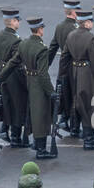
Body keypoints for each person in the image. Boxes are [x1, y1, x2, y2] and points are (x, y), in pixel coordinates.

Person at [64, 11, 94, 150]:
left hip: (75, 73)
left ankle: (78, 131)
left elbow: (64, 57)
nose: (92, 24)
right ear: (87, 23)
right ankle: (89, 140)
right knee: (90, 107)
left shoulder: (70, 35)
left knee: (79, 104)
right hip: (88, 76)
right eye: (91, 21)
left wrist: (61, 76)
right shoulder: (91, 38)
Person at [0, 9, 28, 148]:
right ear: (13, 21)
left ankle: (4, 129)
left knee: (6, 103)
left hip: (1, 74)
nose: (19, 23)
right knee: (18, 105)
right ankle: (15, 137)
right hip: (14, 75)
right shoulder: (16, 40)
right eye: (17, 20)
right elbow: (17, 62)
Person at [19, 17, 57, 160]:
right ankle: (41, 149)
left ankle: (36, 142)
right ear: (40, 29)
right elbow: (43, 74)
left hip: (29, 81)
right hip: (38, 85)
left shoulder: (24, 44)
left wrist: (0, 77)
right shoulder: (42, 48)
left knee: (34, 113)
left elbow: (13, 62)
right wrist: (51, 92)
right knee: (41, 114)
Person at [47, 0, 80, 137]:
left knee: (66, 95)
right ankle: (74, 127)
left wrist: (45, 65)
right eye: (78, 10)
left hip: (63, 67)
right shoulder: (75, 29)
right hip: (74, 66)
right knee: (75, 97)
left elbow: (53, 47)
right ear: (73, 12)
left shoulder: (59, 26)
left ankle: (64, 120)